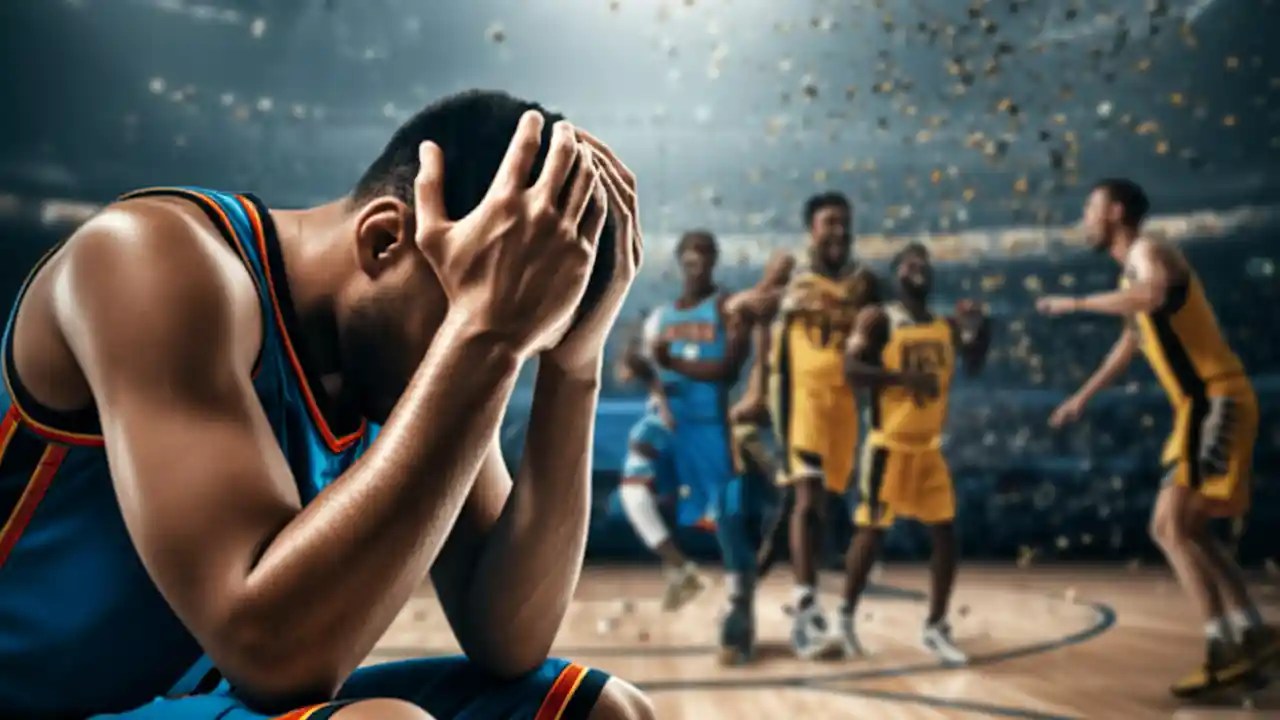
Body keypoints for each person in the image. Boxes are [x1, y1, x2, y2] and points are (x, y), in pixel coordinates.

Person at [0, 90, 654, 720]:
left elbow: (510, 637)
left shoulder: (440, 348)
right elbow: (271, 654)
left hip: (168, 707)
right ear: (384, 241)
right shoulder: (148, 259)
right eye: (477, 313)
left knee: (602, 710)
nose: (489, 350)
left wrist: (574, 366)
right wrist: (483, 334)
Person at [1038, 178, 1277, 697]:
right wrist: (1082, 397)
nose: (1083, 218)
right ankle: (1252, 633)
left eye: (1090, 208)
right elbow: (1128, 344)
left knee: (1169, 527)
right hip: (1199, 406)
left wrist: (1076, 304)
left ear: (1116, 212)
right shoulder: (1132, 269)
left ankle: (1222, 648)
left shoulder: (1149, 251)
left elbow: (1153, 294)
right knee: (1188, 529)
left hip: (1213, 399)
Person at [840, 243, 990, 664]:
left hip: (928, 448)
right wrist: (903, 377)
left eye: (924, 261)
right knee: (871, 533)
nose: (918, 266)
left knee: (945, 534)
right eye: (909, 262)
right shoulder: (879, 318)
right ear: (896, 275)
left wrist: (982, 329)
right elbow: (850, 370)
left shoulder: (944, 325)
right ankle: (845, 617)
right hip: (889, 446)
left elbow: (974, 362)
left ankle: (936, 625)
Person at [768, 192, 879, 660]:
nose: (837, 230)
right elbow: (754, 315)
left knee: (829, 500)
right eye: (829, 221)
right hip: (804, 403)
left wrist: (869, 332)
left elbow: (885, 329)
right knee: (808, 498)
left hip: (846, 408)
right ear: (811, 228)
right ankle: (805, 602)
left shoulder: (866, 284)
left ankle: (812, 598)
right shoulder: (793, 277)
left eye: (844, 222)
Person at [644, 230, 760, 664]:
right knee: (635, 490)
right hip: (675, 428)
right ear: (679, 259)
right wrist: (649, 374)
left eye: (704, 252)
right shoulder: (664, 316)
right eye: (689, 252)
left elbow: (727, 369)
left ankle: (738, 610)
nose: (696, 258)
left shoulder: (729, 308)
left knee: (728, 517)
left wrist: (673, 363)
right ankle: (684, 570)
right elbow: (651, 373)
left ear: (713, 259)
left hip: (713, 427)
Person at [613, 311, 705, 613]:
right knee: (652, 496)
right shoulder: (665, 359)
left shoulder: (673, 357)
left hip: (682, 426)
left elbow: (637, 371)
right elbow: (629, 373)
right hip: (680, 425)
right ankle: (678, 569)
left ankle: (682, 568)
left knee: (635, 491)